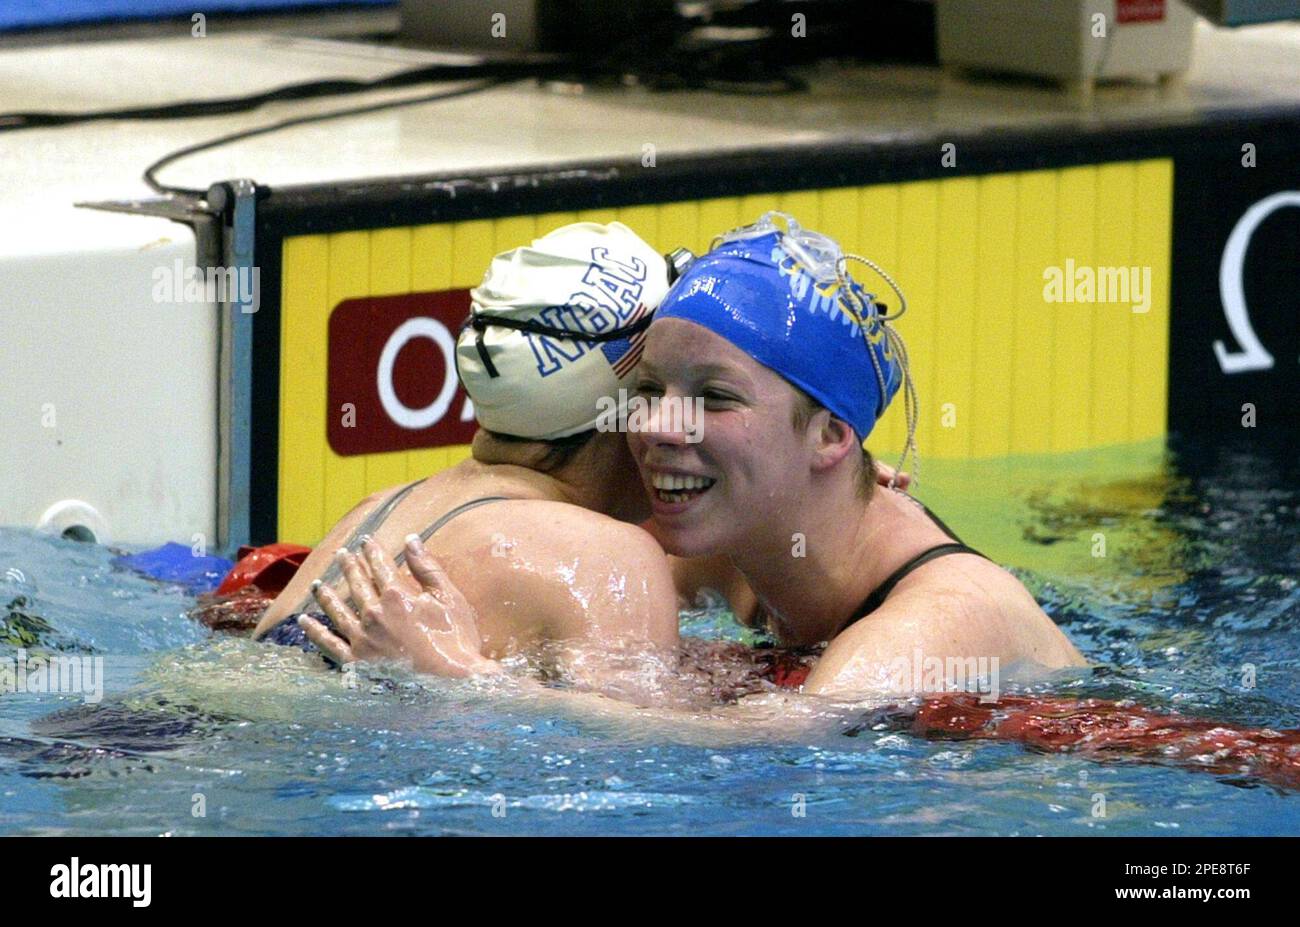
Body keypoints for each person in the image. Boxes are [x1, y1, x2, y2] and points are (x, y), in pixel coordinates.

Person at [250, 220, 682, 680]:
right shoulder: (608, 558)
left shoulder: (375, 513)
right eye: (667, 383)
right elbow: (646, 745)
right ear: (631, 400)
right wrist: (464, 675)